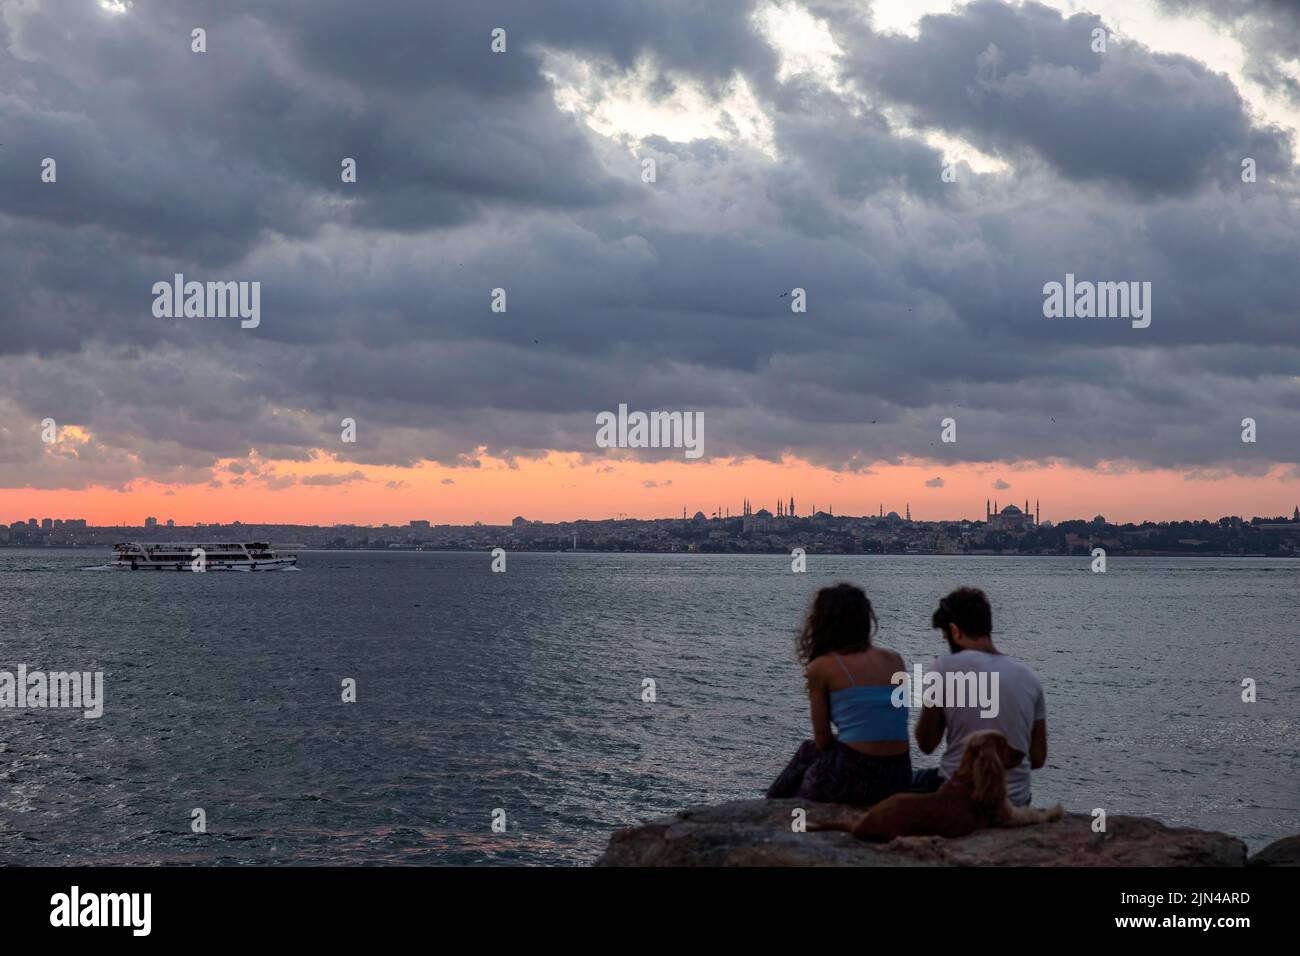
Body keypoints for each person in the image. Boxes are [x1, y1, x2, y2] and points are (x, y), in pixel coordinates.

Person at [767, 583, 911, 806]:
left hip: (853, 779)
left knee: (808, 751)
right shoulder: (895, 660)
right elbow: (894, 720)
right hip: (899, 776)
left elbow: (822, 739)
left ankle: (772, 806)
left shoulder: (823, 667)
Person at [912, 587, 1047, 806]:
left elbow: (926, 744)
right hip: (1016, 800)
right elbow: (1038, 758)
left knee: (897, 781)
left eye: (945, 636)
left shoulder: (943, 668)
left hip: (961, 796)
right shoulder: (1029, 677)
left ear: (955, 632)